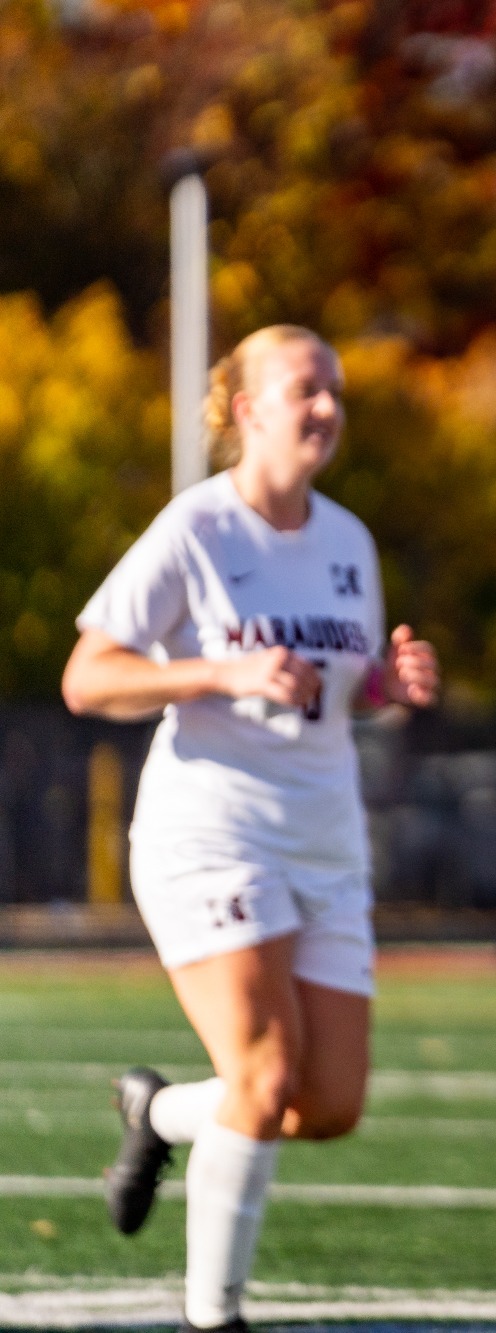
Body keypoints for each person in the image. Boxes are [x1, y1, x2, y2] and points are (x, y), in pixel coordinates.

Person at [61, 324, 441, 1333]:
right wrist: (217, 669)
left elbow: (337, 687)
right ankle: (214, 1317)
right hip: (212, 832)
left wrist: (384, 688)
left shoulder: (348, 539)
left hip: (325, 837)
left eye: (336, 392)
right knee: (264, 1076)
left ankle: (157, 1113)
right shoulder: (198, 529)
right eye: (305, 389)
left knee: (326, 1103)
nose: (326, 408)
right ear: (246, 410)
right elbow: (88, 676)